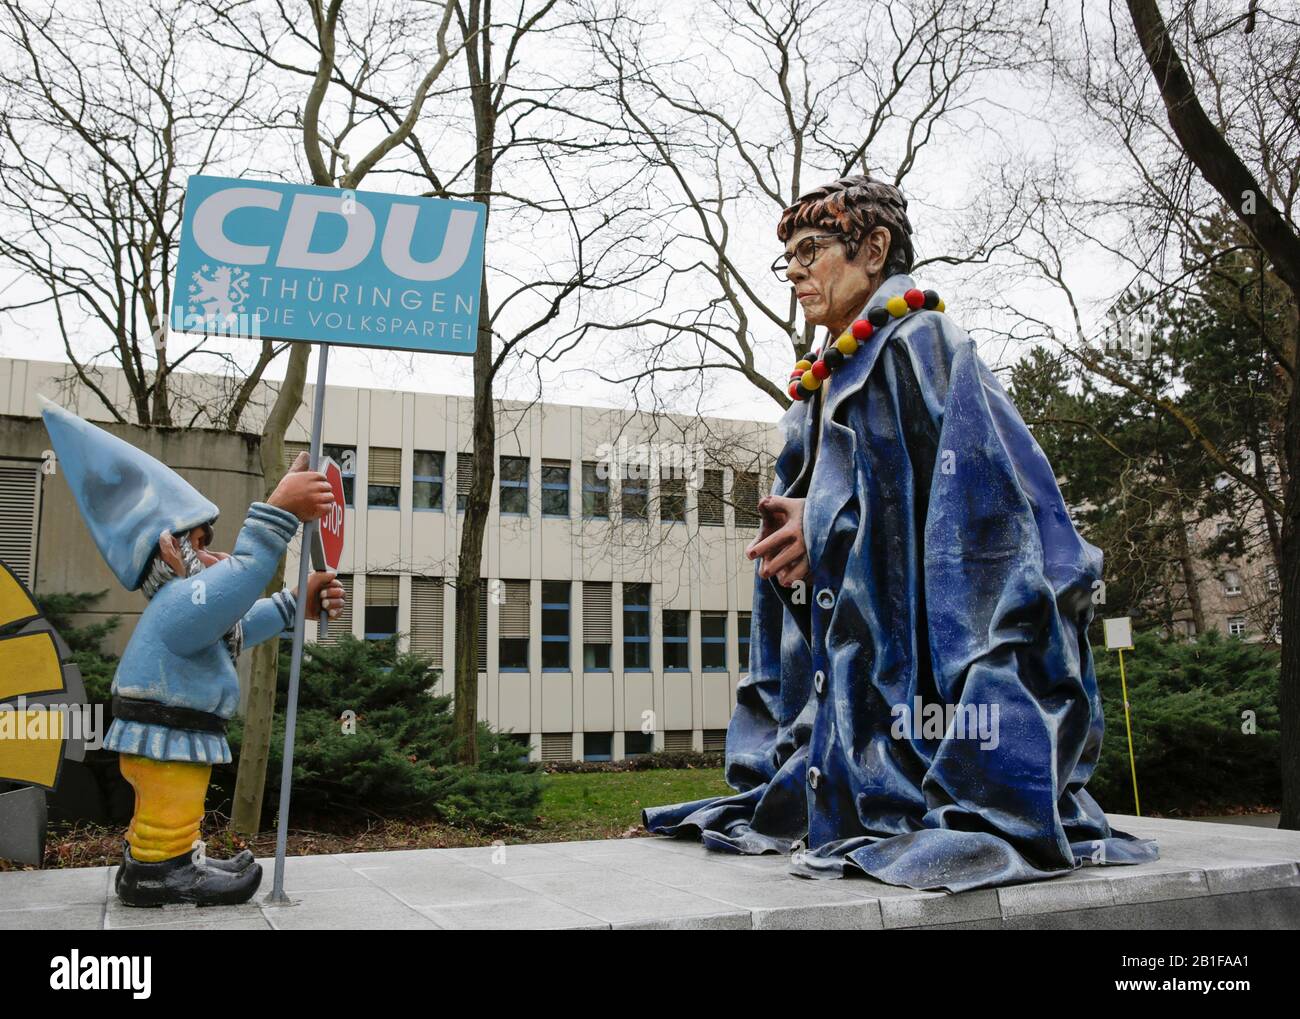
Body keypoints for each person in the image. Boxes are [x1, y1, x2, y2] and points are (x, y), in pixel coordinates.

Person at [642, 175, 1159, 892]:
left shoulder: (924, 340)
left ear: (875, 249)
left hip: (927, 690)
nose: (794, 269)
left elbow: (981, 521)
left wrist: (819, 520)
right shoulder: (824, 384)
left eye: (811, 248)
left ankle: (964, 791)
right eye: (786, 255)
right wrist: (805, 537)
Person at [41, 399, 345, 906]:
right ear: (168, 550)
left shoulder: (190, 609)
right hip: (166, 731)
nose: (215, 556)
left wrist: (296, 603)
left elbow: (240, 623)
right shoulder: (181, 600)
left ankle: (173, 858)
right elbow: (241, 579)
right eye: (201, 544)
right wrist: (277, 514)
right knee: (171, 800)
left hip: (172, 729)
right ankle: (160, 871)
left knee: (176, 802)